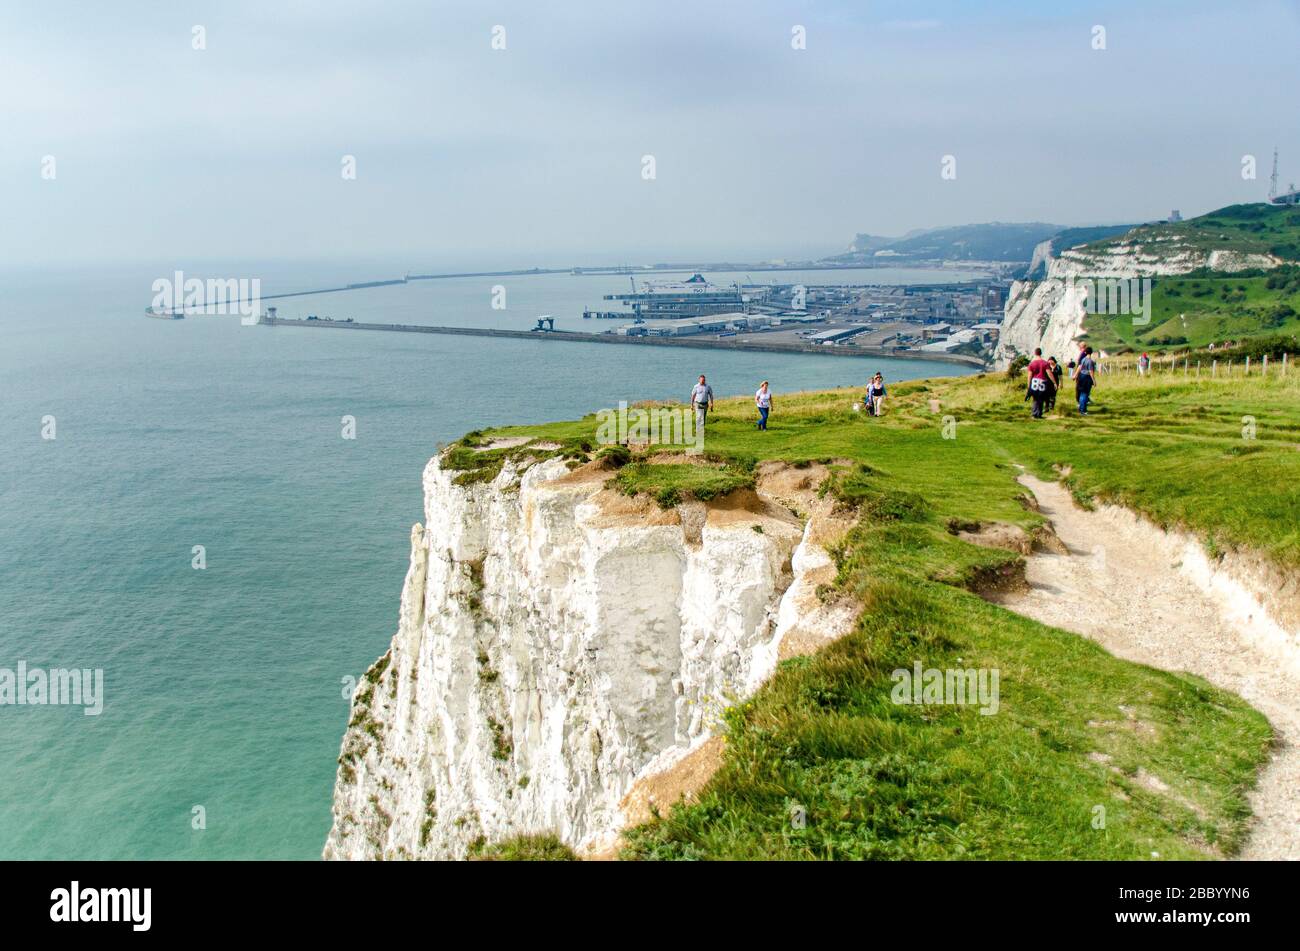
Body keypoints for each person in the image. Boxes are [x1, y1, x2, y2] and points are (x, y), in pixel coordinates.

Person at [1071, 346, 1098, 415]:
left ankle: (1081, 408)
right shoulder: (1090, 361)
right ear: (1091, 353)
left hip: (1081, 377)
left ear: (1085, 352)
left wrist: (1075, 376)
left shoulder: (1083, 359)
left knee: (1082, 393)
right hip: (1087, 378)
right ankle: (1083, 411)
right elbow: (1091, 372)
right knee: (1085, 394)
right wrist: (1094, 381)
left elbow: (1079, 367)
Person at [1025, 348, 1051, 418]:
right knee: (1041, 398)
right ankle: (1039, 413)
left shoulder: (1032, 364)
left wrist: (1028, 385)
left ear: (1035, 353)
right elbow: (1049, 373)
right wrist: (1054, 382)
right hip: (1043, 382)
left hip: (1035, 382)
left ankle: (1034, 413)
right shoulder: (1045, 363)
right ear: (1041, 353)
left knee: (1035, 398)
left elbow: (1029, 376)